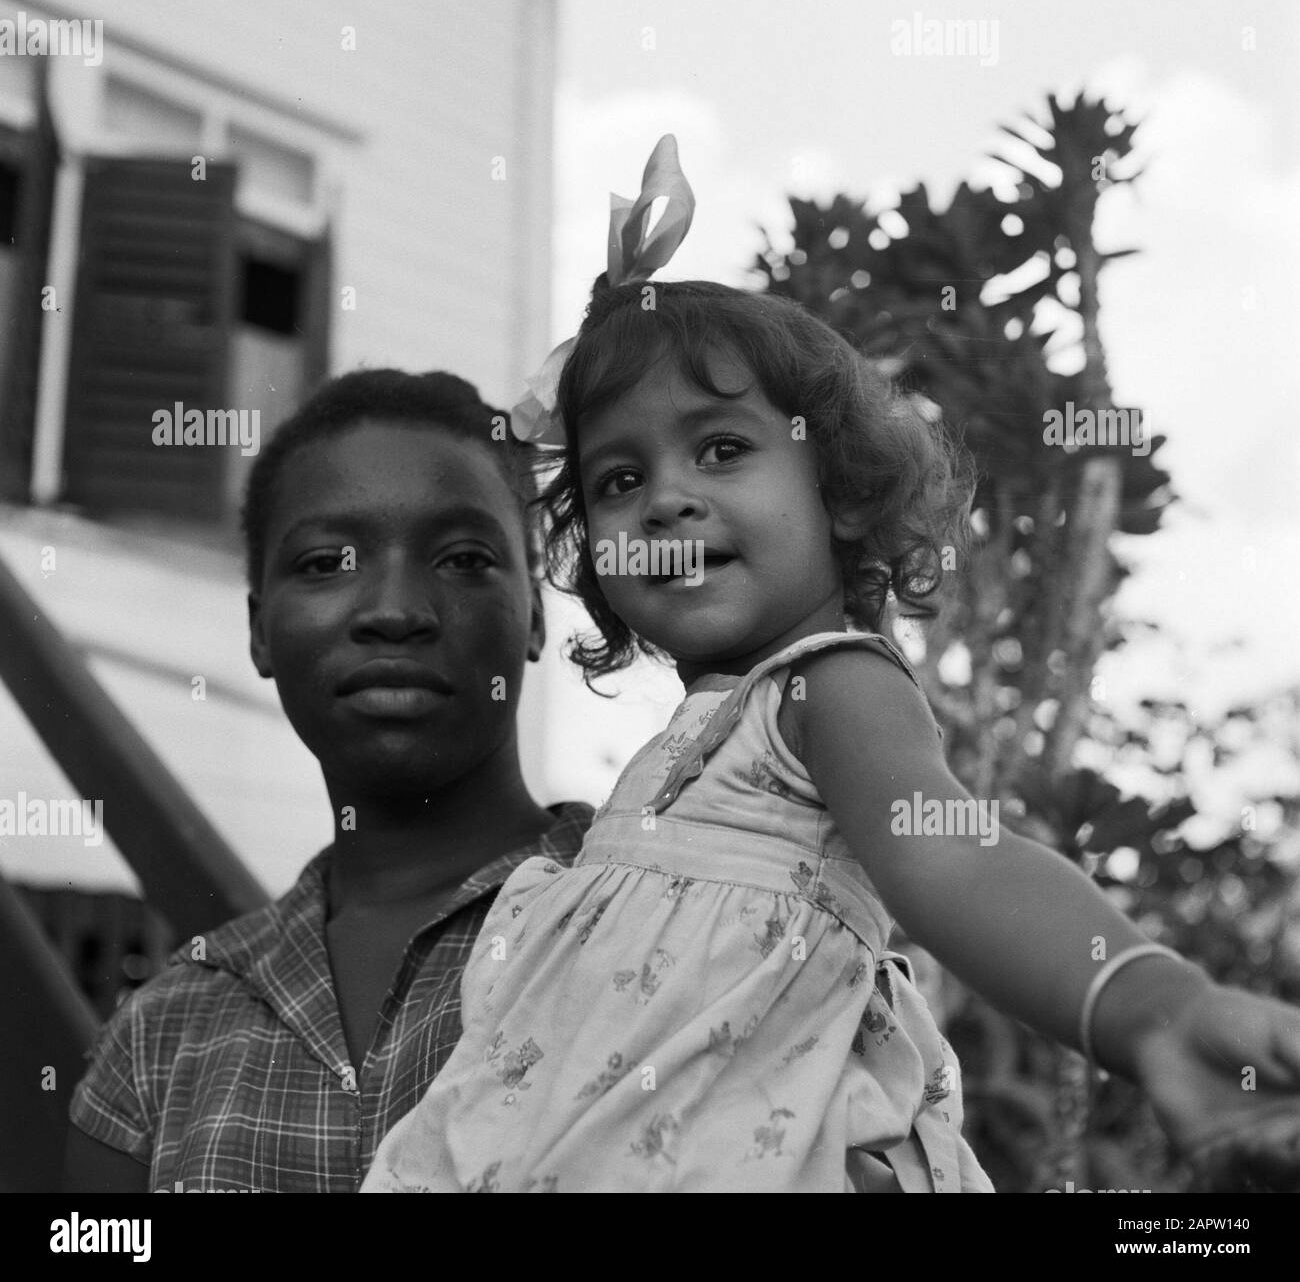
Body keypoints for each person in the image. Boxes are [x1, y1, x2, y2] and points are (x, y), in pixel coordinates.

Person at [363, 277, 1300, 1193]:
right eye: (619, 478)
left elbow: (956, 860)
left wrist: (1155, 1011)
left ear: (842, 493)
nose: (665, 499)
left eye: (722, 448)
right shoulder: (690, 748)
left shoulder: (829, 687)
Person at [63, 370, 591, 1192]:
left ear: (533, 616)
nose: (393, 608)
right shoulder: (158, 1042)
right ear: (259, 629)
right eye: (324, 562)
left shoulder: (671, 917)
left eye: (462, 557)